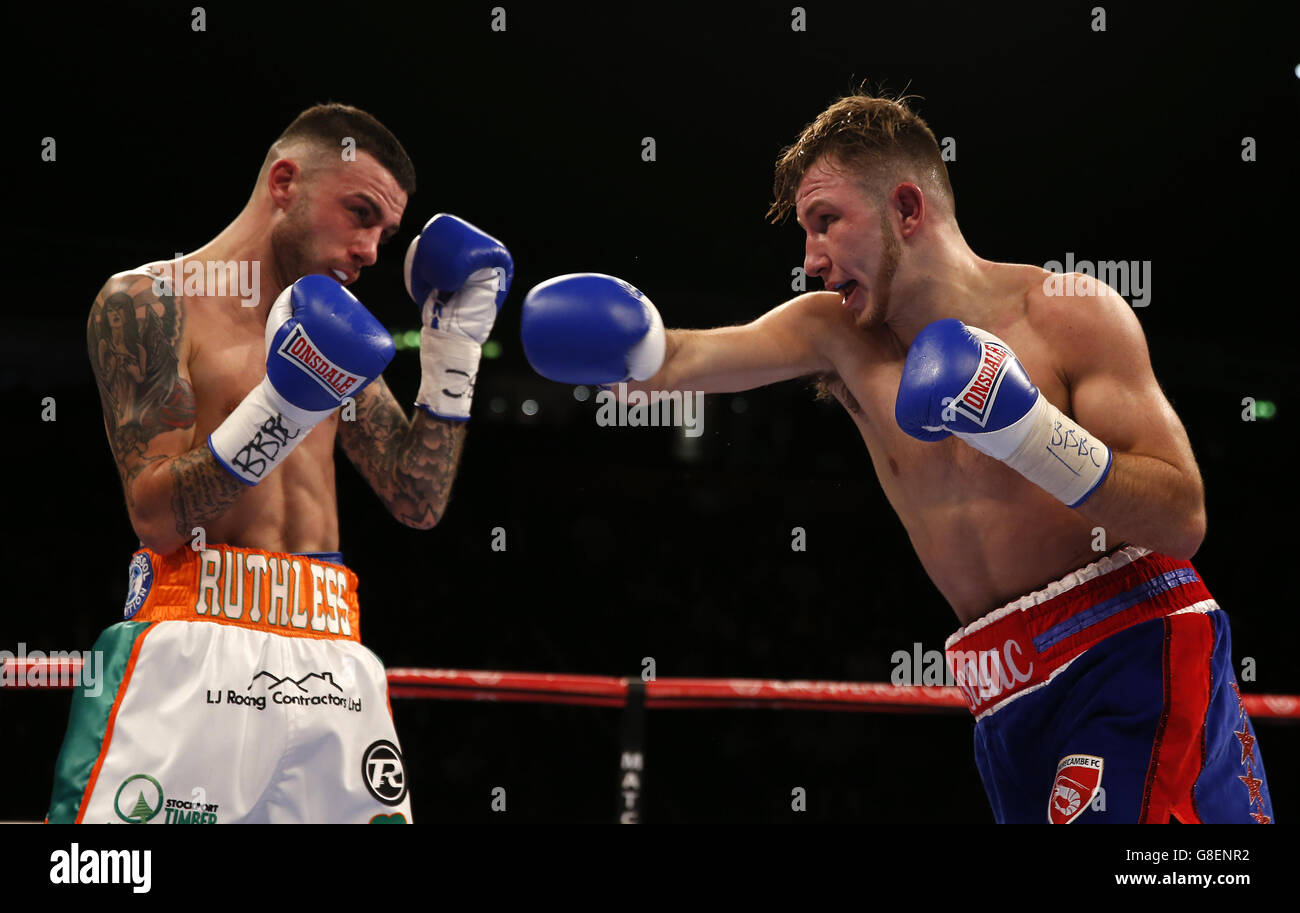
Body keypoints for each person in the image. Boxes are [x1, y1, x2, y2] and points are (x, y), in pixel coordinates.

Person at [519, 91, 1273, 823]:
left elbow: (1183, 516)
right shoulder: (837, 336)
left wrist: (1029, 431)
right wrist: (633, 345)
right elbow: (684, 358)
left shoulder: (1068, 313)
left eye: (826, 223)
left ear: (907, 209)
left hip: (1130, 648)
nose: (811, 259)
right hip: (1005, 695)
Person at [48, 103, 513, 824]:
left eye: (384, 234)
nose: (369, 249)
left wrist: (453, 357)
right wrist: (283, 409)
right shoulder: (149, 301)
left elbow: (415, 498)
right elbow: (157, 516)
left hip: (333, 647)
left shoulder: (329, 328)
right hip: (194, 637)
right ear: (286, 181)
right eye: (359, 214)